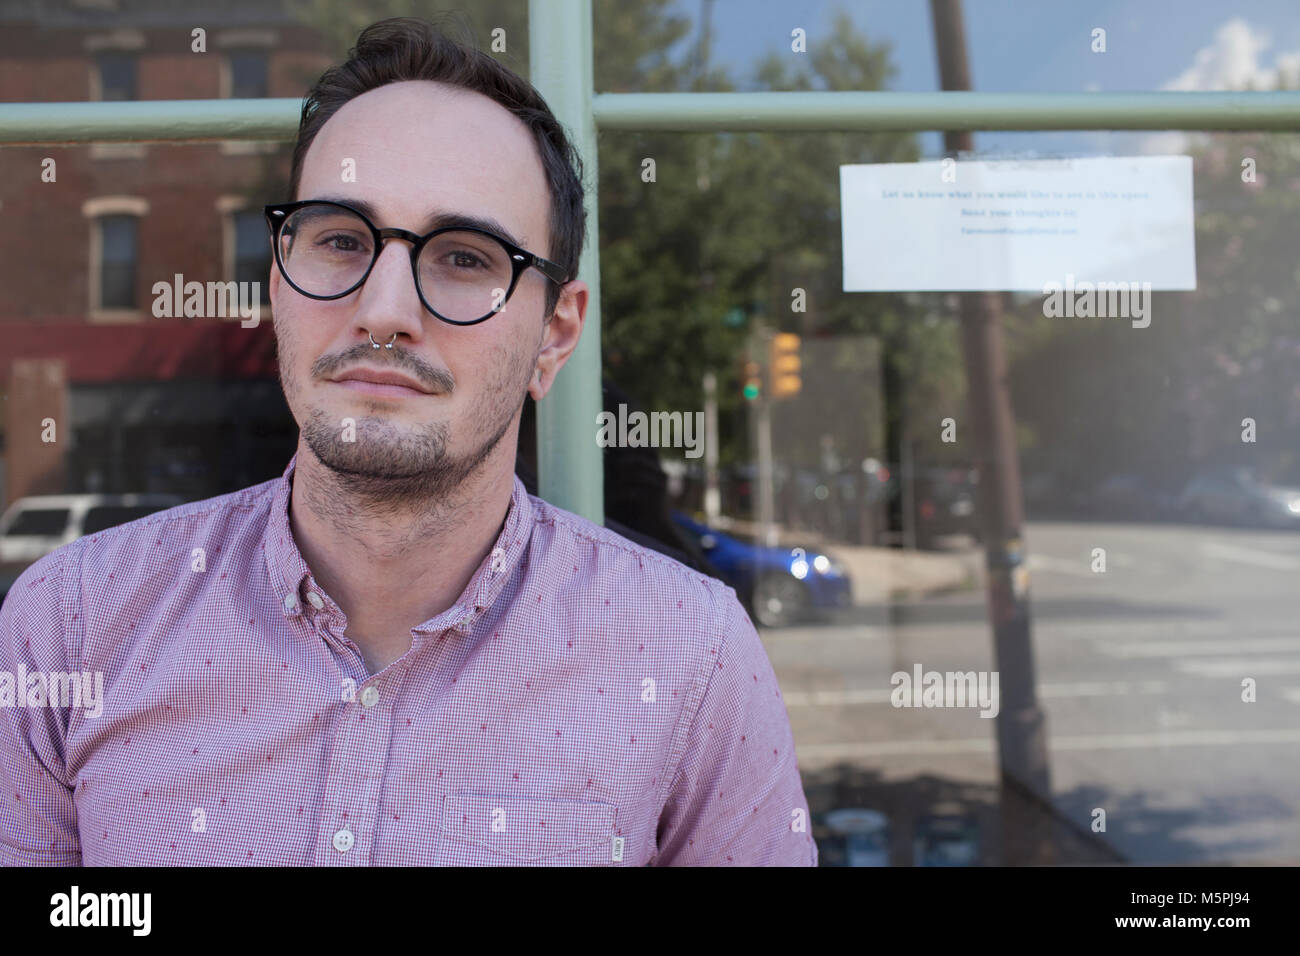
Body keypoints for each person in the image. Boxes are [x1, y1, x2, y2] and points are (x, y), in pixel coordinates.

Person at [0, 17, 816, 866]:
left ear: (555, 334)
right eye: (340, 240)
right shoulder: (72, 626)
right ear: (277, 281)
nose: (384, 309)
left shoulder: (691, 655)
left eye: (464, 257)